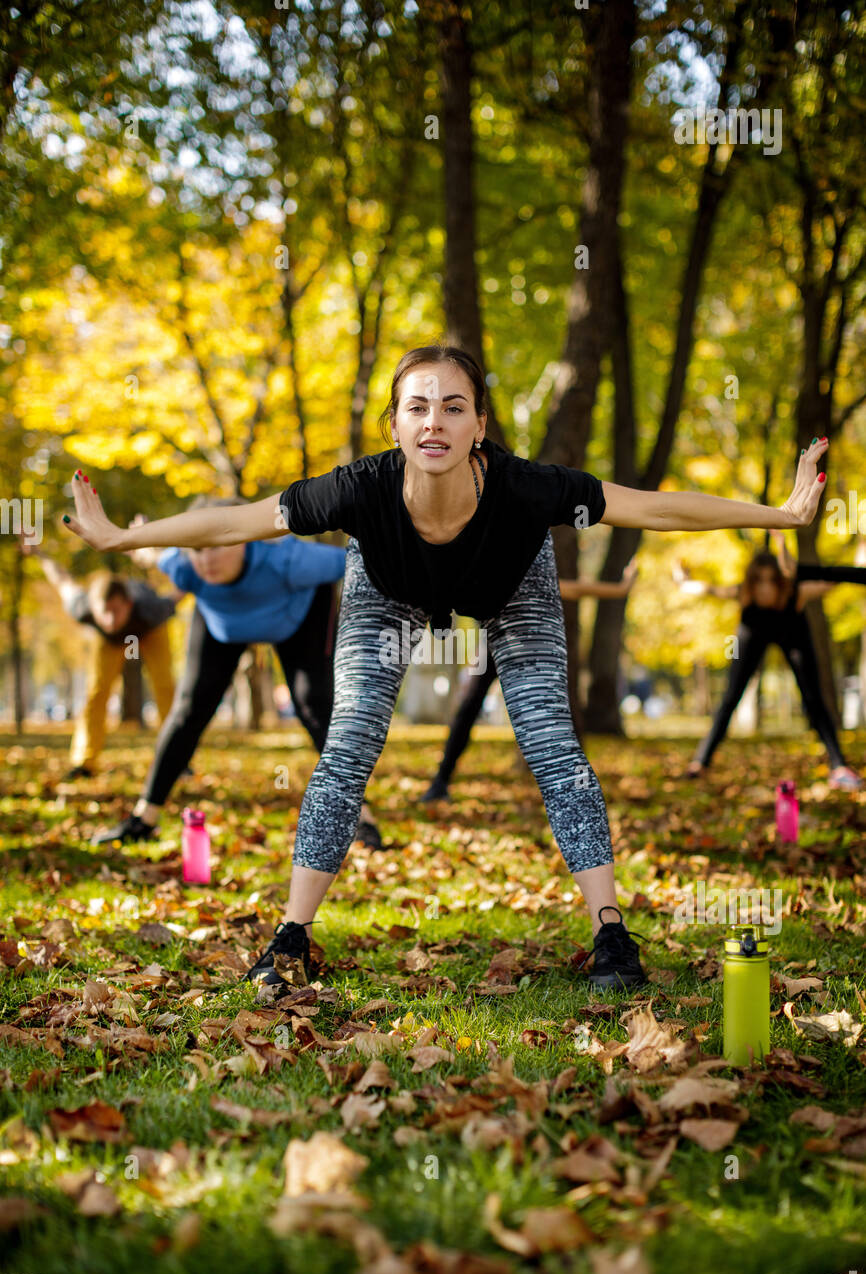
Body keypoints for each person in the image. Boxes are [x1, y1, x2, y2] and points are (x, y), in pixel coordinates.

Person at [60, 344, 830, 994]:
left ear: (480, 425)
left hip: (510, 587)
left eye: (454, 406)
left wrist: (783, 514)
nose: (435, 421)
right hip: (386, 593)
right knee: (350, 739)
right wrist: (118, 541)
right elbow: (237, 518)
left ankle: (610, 933)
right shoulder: (358, 488)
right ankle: (292, 935)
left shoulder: (527, 488)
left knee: (553, 748)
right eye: (418, 406)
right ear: (395, 424)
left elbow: (653, 507)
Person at [91, 498, 383, 850]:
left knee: (313, 705)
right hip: (223, 626)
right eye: (196, 549)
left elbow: (359, 560)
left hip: (297, 617)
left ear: (244, 537)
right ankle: (144, 817)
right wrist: (140, 544)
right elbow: (154, 555)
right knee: (189, 708)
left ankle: (362, 817)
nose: (206, 560)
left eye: (217, 547)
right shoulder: (186, 569)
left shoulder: (289, 561)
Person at [421, 559, 638, 802]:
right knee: (468, 710)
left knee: (544, 717)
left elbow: (574, 588)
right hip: (492, 648)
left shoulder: (530, 576)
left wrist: (621, 589)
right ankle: (440, 782)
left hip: (527, 651)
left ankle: (566, 789)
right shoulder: (483, 568)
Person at [675, 529, 864, 788]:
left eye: (771, 580)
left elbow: (830, 582)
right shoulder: (742, 593)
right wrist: (683, 581)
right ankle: (700, 762)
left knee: (813, 697)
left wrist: (858, 559)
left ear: (780, 581)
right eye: (759, 581)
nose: (765, 587)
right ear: (751, 582)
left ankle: (839, 765)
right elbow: (707, 589)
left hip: (794, 635)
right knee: (731, 697)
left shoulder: (796, 592)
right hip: (749, 637)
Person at [23, 541, 177, 778]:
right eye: (103, 611)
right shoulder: (82, 607)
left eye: (116, 610)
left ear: (129, 604)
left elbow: (184, 587)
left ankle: (178, 759)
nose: (110, 619)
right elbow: (61, 579)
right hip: (109, 642)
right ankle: (85, 761)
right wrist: (39, 552)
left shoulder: (151, 608)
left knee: (165, 687)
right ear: (93, 608)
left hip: (150, 631)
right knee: (96, 691)